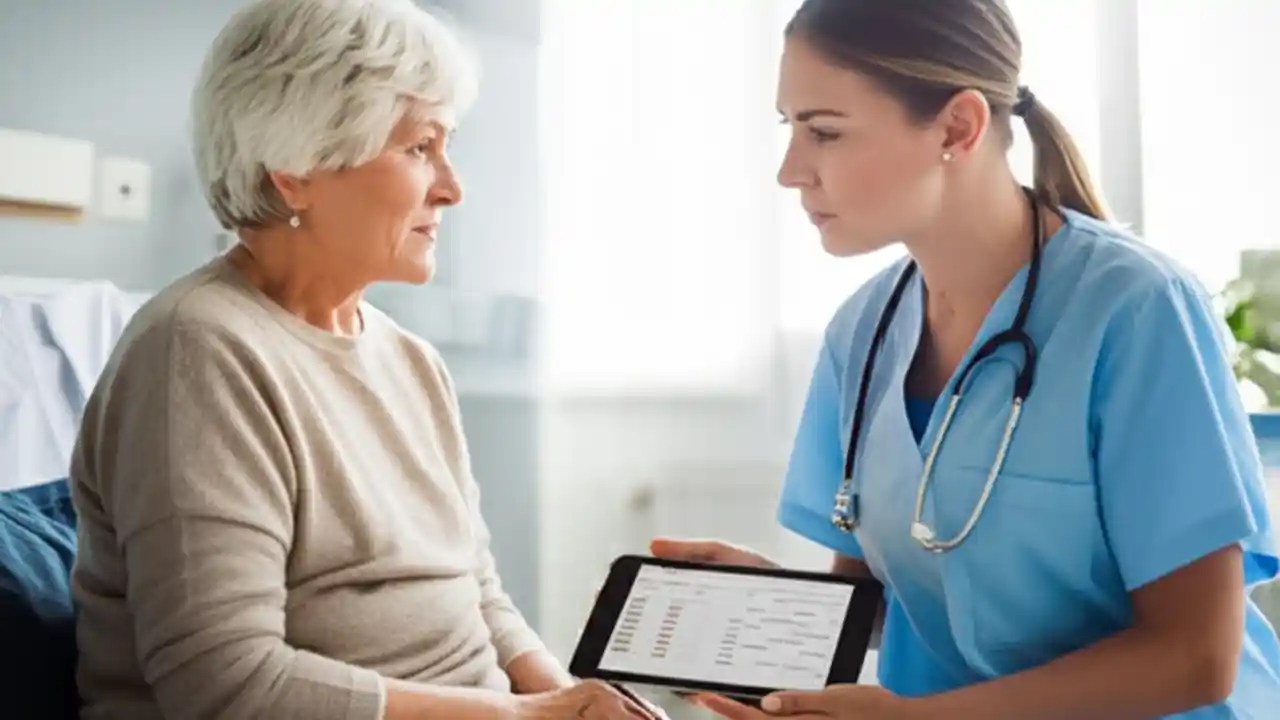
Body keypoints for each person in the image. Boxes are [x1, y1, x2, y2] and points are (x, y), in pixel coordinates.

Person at [653, 0, 1280, 718]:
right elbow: (903, 605)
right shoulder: (862, 332)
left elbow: (1196, 657)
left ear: (958, 127)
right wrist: (769, 607)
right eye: (789, 128)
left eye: (824, 131)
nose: (792, 171)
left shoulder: (1136, 311)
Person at [68, 1, 658, 718]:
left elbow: (475, 596)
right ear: (296, 170)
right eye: (418, 148)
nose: (452, 186)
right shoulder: (197, 353)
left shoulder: (411, 361)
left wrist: (573, 699)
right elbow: (224, 684)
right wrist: (525, 717)